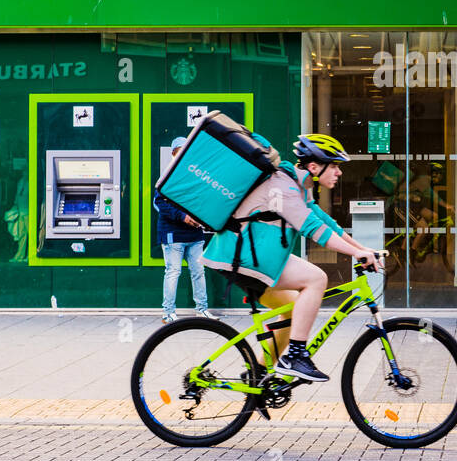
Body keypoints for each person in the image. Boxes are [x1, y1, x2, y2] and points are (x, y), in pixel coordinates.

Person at [203, 132, 380, 382]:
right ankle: (295, 356)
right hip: (242, 258)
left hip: (256, 256)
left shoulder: (299, 187)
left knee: (295, 310)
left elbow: (326, 223)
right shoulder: (283, 187)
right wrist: (356, 253)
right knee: (316, 279)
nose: (339, 173)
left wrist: (363, 249)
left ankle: (258, 375)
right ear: (314, 167)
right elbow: (313, 229)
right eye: (335, 166)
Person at [154, 136, 213, 324]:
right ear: (173, 153)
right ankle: (168, 313)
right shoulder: (167, 177)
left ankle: (202, 310)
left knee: (198, 272)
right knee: (173, 272)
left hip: (194, 233)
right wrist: (184, 217)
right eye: (180, 152)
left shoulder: (195, 176)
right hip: (173, 234)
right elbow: (159, 204)